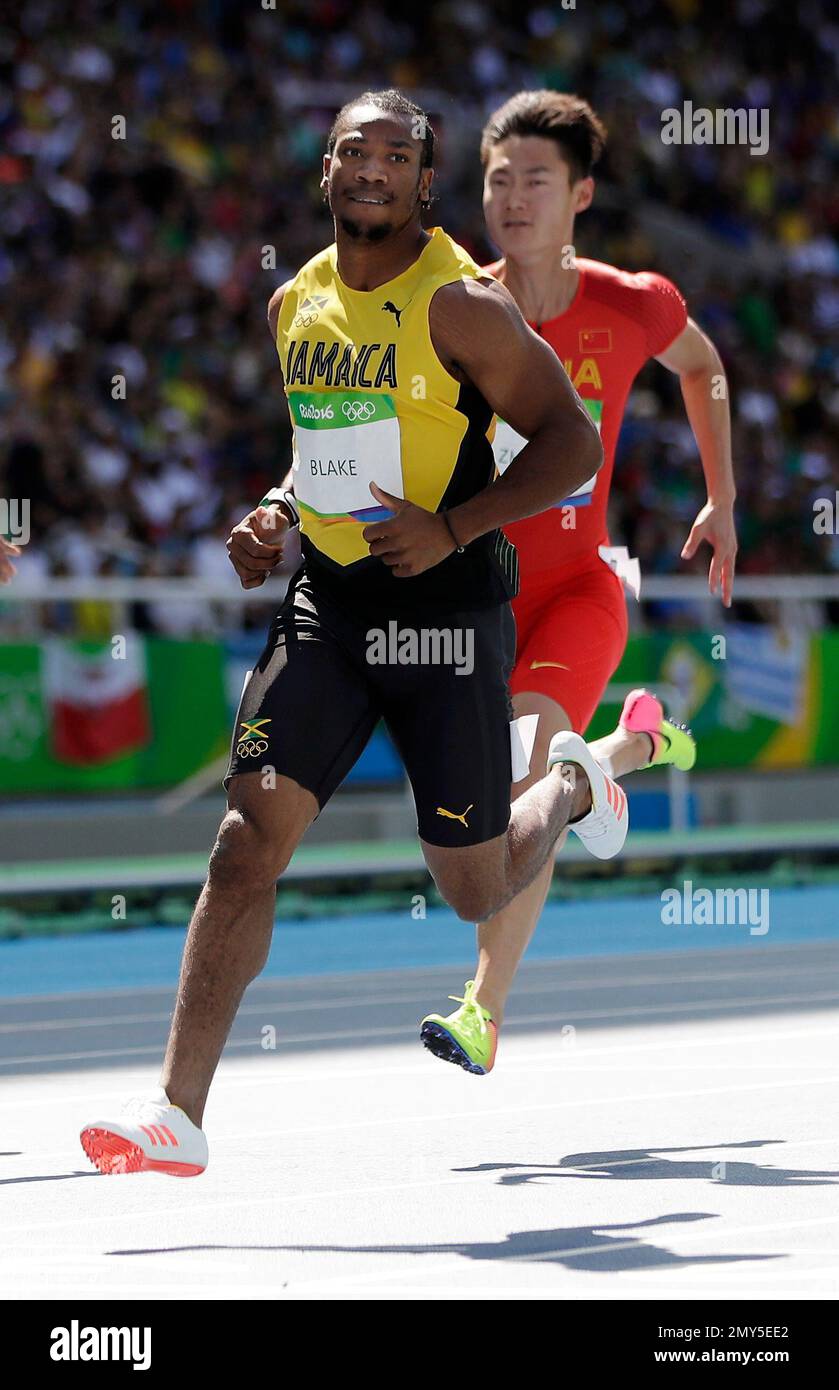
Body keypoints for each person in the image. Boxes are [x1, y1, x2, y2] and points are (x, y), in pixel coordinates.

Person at [80, 89, 634, 1177]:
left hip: (444, 607)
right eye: (352, 151)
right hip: (330, 606)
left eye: (396, 153)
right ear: (324, 174)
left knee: (471, 885)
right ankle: (177, 1115)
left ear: (427, 183)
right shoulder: (295, 303)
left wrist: (453, 526)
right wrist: (279, 513)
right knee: (244, 844)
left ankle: (568, 785)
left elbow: (572, 442)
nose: (372, 167)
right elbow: (322, 451)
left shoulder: (463, 305)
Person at [418, 90, 736, 1074]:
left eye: (535, 179)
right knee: (509, 796)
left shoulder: (630, 301)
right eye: (496, 179)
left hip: (577, 592)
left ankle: (482, 1010)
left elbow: (704, 367)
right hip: (479, 602)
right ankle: (633, 744)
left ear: (581, 192)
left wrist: (720, 500)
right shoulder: (453, 309)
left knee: (522, 782)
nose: (512, 197)